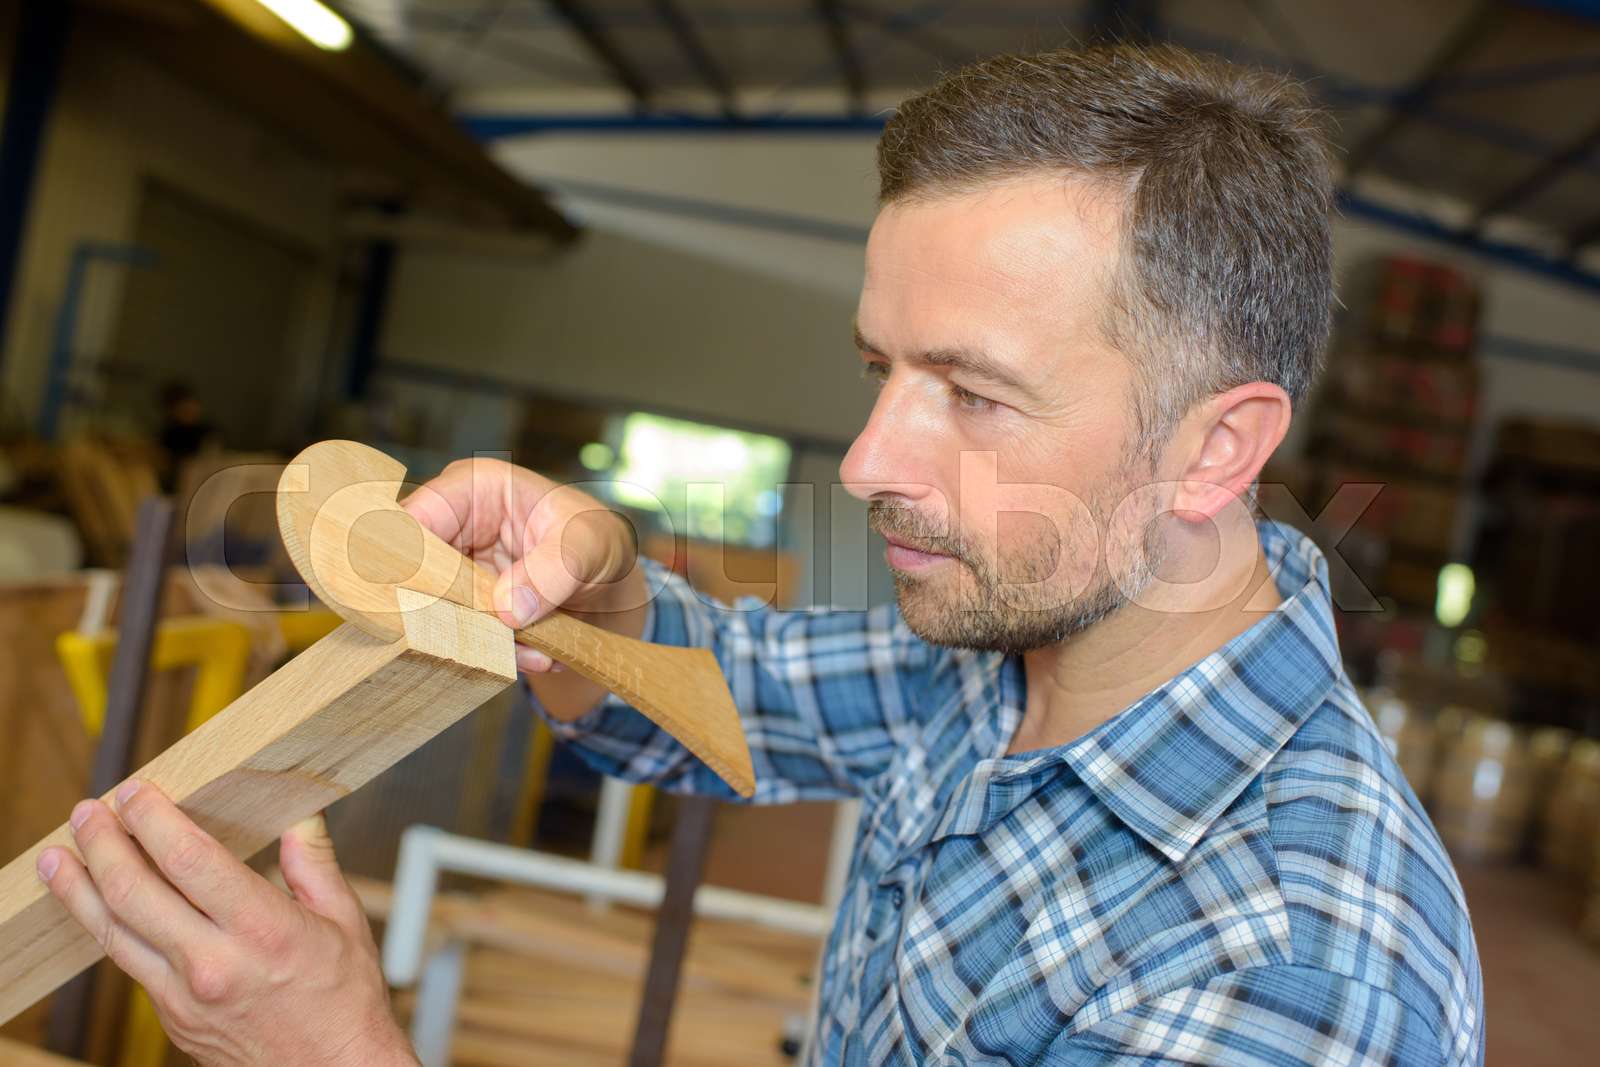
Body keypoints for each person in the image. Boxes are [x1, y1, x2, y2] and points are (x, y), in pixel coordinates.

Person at [37, 44, 1483, 1065]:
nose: (868, 464)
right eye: (880, 369)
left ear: (1217, 449)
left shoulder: (1292, 976)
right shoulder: (1002, 651)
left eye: (974, 395)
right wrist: (599, 589)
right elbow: (703, 698)